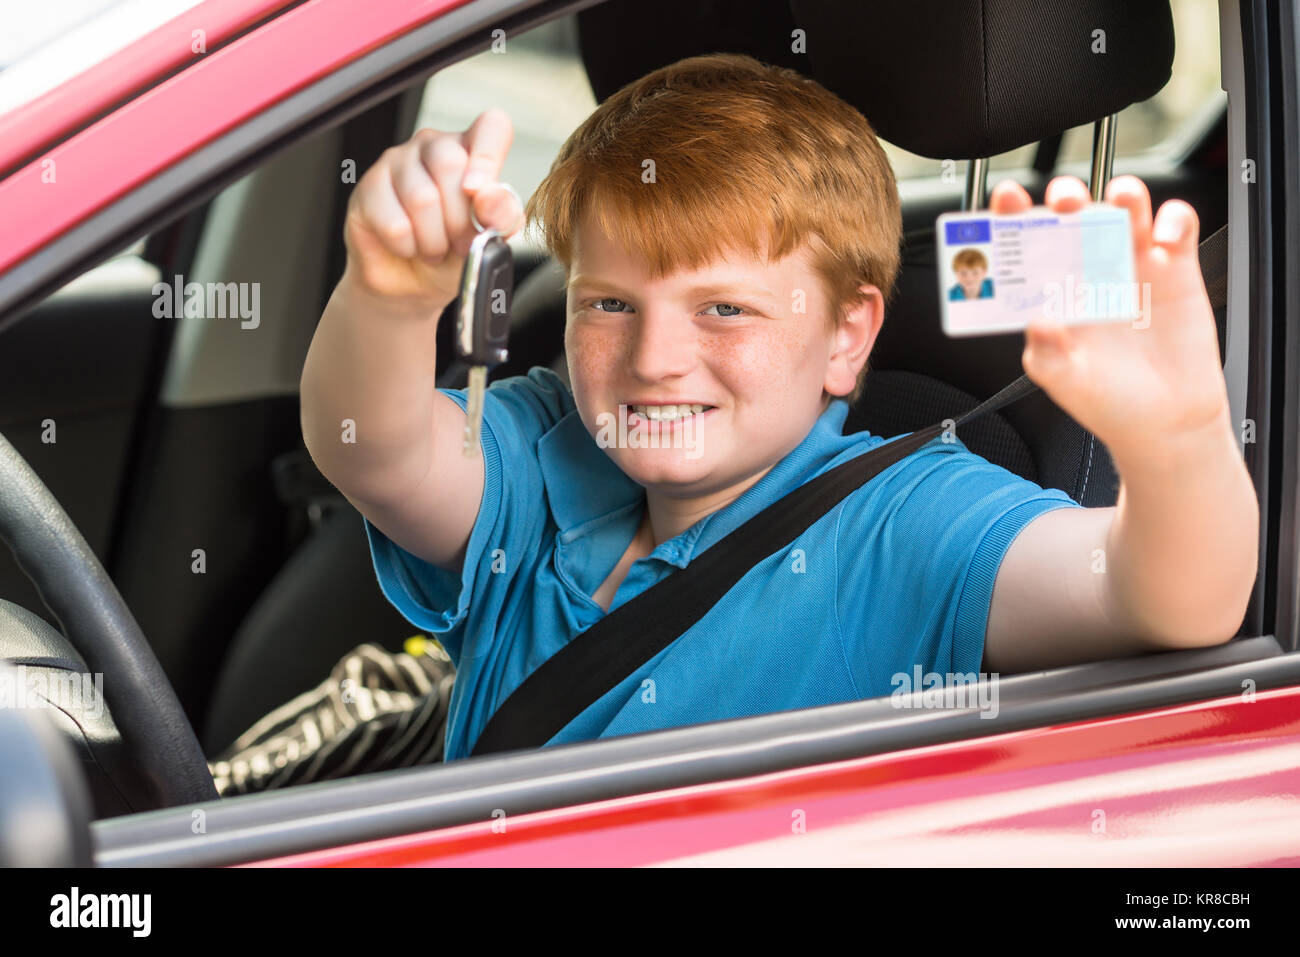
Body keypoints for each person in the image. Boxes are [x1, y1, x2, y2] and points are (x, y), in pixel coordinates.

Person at [299, 53, 1258, 763]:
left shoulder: (900, 522)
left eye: (725, 308)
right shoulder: (546, 444)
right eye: (609, 304)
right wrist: (389, 296)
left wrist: (1174, 443)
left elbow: (1165, 596)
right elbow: (373, 449)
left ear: (847, 338)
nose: (655, 359)